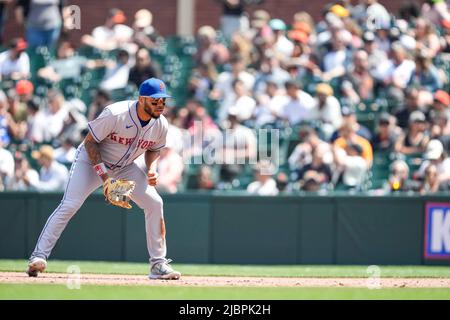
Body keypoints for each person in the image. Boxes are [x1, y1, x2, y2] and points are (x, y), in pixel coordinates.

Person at [26, 78, 181, 280]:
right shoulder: (116, 113)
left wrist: (151, 168)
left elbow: (153, 149)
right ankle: (38, 256)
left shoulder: (161, 124)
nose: (160, 105)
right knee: (70, 204)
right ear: (141, 99)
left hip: (125, 167)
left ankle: (158, 265)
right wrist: (105, 178)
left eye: (163, 100)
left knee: (154, 202)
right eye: (155, 100)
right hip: (90, 162)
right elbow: (90, 143)